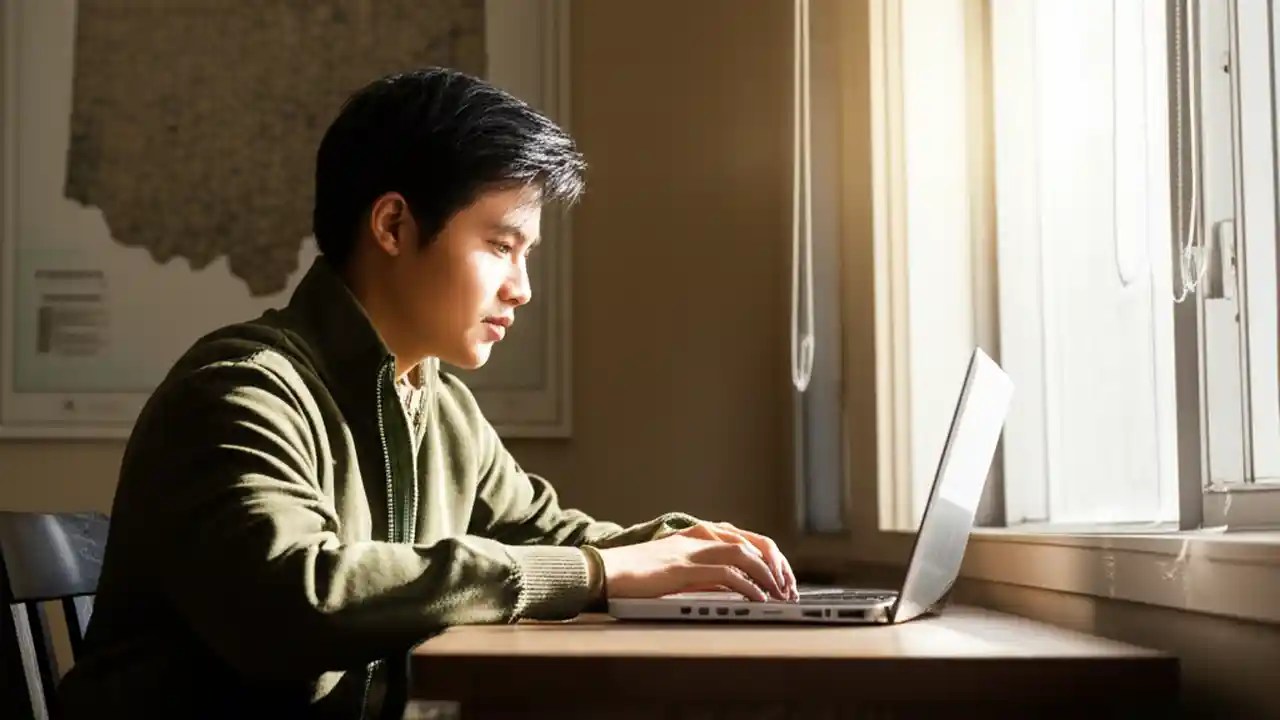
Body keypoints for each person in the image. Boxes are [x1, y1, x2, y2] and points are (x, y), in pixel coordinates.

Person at [56, 67, 797, 719]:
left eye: (526, 254)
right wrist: (602, 573)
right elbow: (296, 596)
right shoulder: (237, 391)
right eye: (500, 246)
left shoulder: (436, 403)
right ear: (392, 224)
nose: (523, 288)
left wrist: (686, 547)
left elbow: (548, 535)